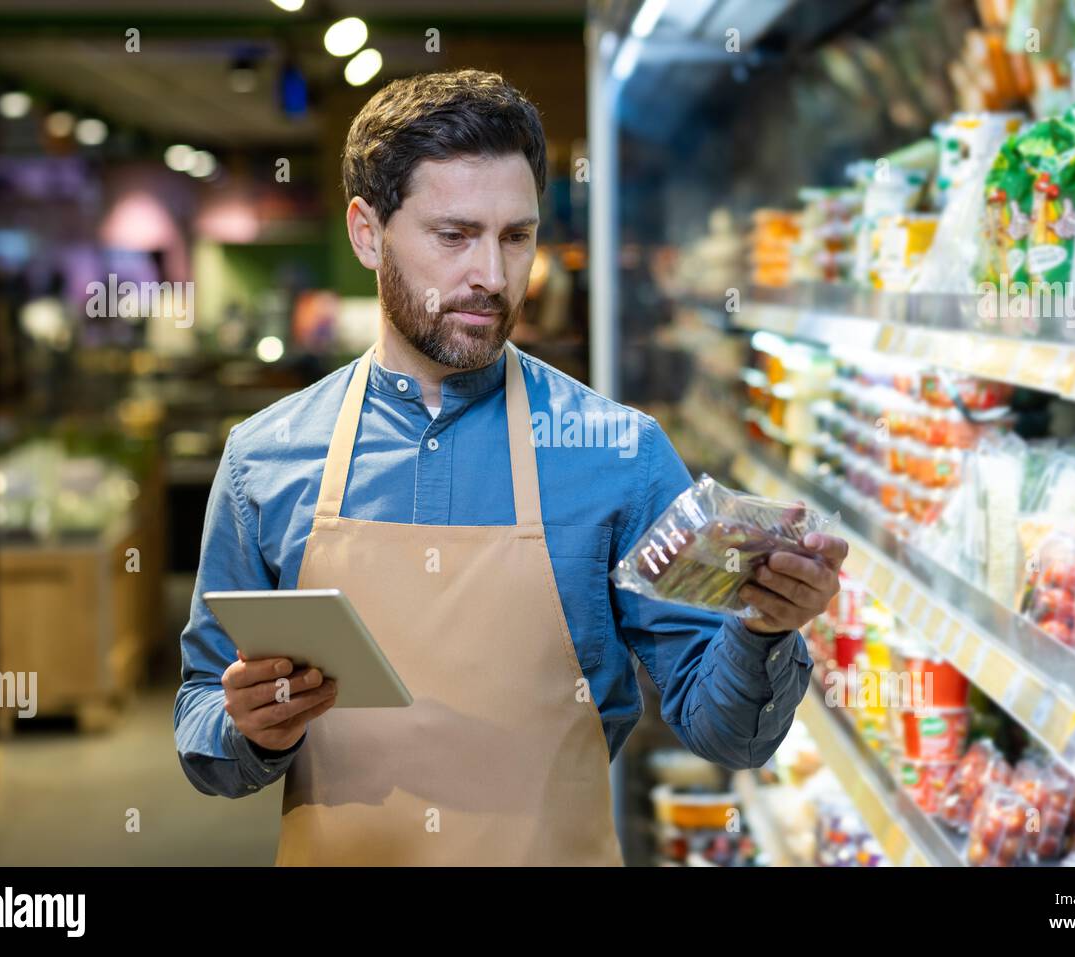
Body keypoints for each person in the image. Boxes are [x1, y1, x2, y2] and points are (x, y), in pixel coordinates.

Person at [173, 69, 847, 866]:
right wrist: (242, 725)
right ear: (366, 232)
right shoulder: (265, 458)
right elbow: (200, 718)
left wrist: (766, 631)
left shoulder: (620, 453)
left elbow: (729, 733)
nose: (492, 277)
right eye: (454, 235)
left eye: (515, 236)